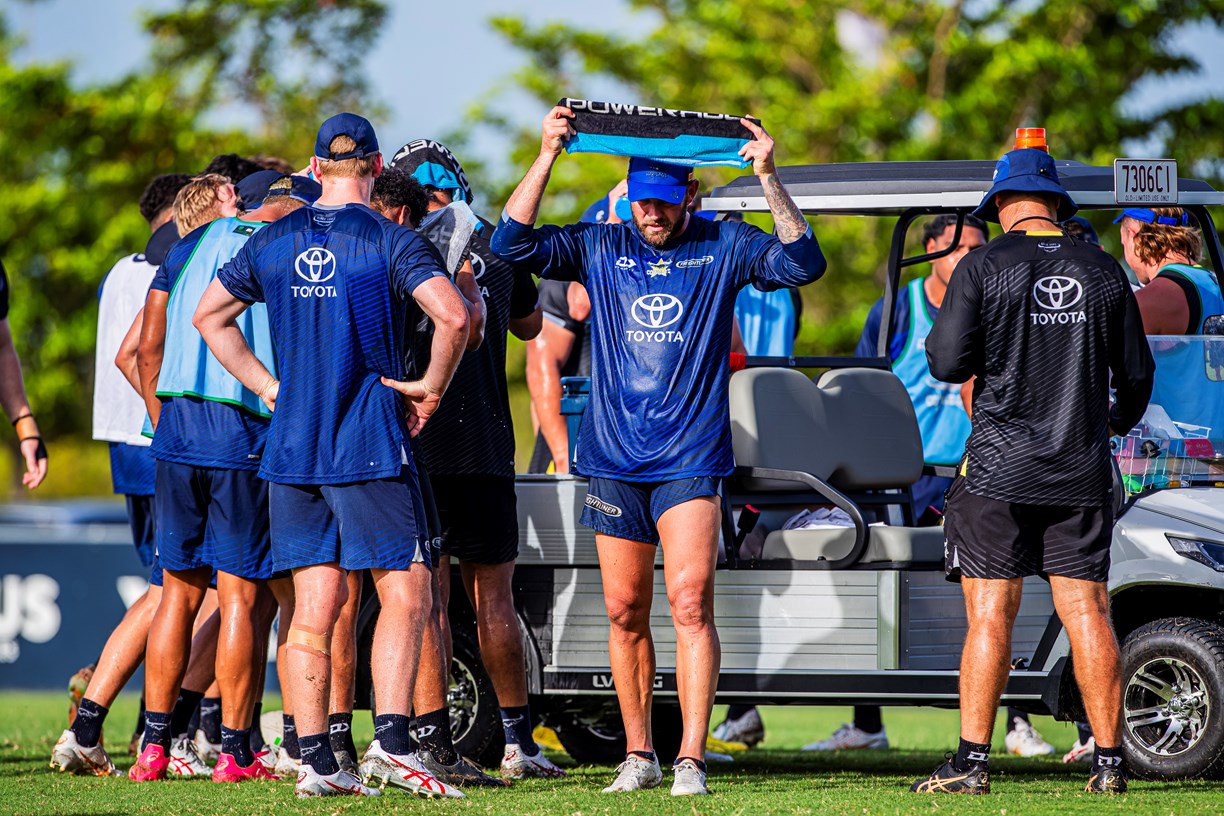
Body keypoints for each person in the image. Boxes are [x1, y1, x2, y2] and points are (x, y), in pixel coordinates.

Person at [491, 104, 826, 796]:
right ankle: (639, 753)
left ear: (690, 195)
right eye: (643, 201)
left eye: (666, 202)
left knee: (691, 603)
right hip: (614, 458)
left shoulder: (724, 243)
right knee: (623, 610)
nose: (653, 213)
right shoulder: (598, 244)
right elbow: (510, 243)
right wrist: (547, 153)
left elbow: (803, 262)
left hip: (690, 457)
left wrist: (769, 175)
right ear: (627, 197)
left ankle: (690, 759)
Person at [194, 112, 469, 799]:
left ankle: (316, 759)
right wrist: (431, 388)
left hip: (291, 448)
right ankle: (393, 745)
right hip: (368, 442)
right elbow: (455, 316)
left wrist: (267, 387)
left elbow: (208, 317)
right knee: (406, 590)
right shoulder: (390, 237)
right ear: (375, 168)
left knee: (312, 607)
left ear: (315, 169)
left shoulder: (273, 237)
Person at [915, 147, 1154, 795]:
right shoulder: (1103, 269)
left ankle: (971, 764)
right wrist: (1111, 425)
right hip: (1080, 468)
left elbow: (944, 363)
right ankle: (1110, 765)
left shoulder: (982, 264)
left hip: (998, 469)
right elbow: (1136, 376)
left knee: (991, 614)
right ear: (1056, 202)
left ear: (999, 203)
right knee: (1089, 612)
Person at [129, 173, 314, 784]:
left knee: (176, 595)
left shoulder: (184, 245)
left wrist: (166, 423)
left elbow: (145, 348)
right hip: (242, 433)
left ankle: (154, 747)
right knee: (240, 597)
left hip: (178, 435)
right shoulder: (281, 245)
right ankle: (235, 752)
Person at [390, 140, 562, 782]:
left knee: (428, 601)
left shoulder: (397, 244)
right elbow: (530, 326)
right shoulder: (494, 242)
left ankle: (435, 740)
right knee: (495, 600)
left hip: (419, 443)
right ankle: (518, 741)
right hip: (487, 445)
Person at [50, 173, 189, 778]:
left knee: (169, 585)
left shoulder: (118, 270)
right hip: (154, 437)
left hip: (122, 442)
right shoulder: (171, 262)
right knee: (176, 588)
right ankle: (143, 724)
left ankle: (139, 718)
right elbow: (141, 353)